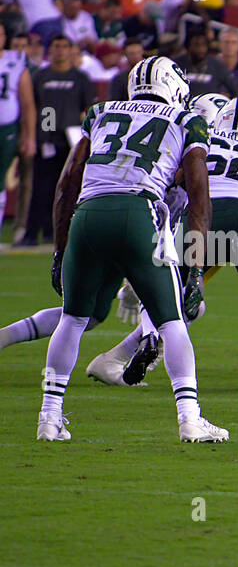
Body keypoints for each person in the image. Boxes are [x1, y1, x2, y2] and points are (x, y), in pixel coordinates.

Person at [40, 55, 226, 442]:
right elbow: (199, 196)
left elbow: (66, 184)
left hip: (87, 215)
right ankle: (189, 417)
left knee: (72, 320)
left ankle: (49, 417)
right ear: (174, 87)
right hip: (138, 212)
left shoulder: (101, 111)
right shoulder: (186, 120)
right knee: (172, 320)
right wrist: (194, 269)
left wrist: (60, 251)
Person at [89, 97, 238, 386]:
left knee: (169, 295)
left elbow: (172, 181)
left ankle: (142, 341)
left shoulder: (201, 141)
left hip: (197, 226)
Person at [22, 35, 94, 246]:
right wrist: (40, 135)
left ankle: (58, 235)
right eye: (56, 46)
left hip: (72, 140)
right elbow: (36, 106)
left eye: (64, 46)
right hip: (47, 137)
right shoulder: (41, 76)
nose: (60, 50)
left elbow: (87, 109)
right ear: (49, 50)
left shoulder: (80, 78)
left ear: (71, 50)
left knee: (69, 189)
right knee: (40, 188)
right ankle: (31, 234)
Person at [0, 22, 37, 243]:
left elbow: (37, 104)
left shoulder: (33, 70)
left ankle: (24, 228)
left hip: (24, 129)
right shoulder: (46, 75)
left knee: (32, 181)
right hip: (43, 127)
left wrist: (35, 135)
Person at [175, 29, 235, 99]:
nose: (200, 49)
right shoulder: (177, 64)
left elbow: (235, 90)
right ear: (188, 46)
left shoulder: (217, 66)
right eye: (196, 45)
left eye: (203, 45)